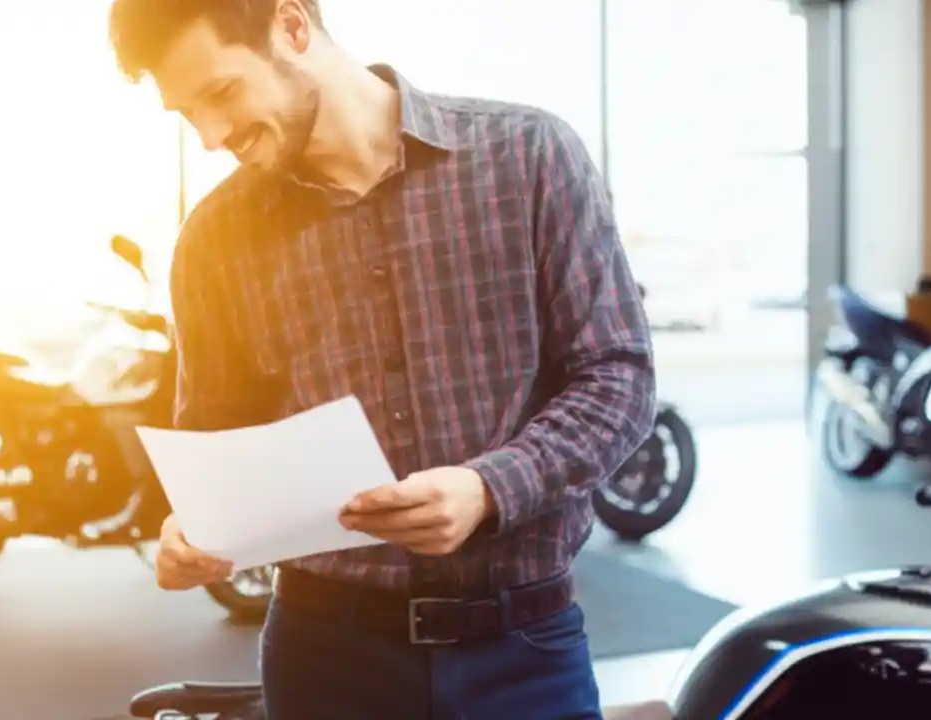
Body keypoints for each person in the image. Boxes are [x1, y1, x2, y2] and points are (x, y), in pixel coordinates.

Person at [108, 1, 655, 717]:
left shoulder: (528, 157)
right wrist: (201, 529)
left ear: (292, 26)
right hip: (325, 659)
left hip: (523, 650)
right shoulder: (215, 241)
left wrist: (488, 488)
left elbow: (619, 376)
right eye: (188, 114)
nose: (212, 136)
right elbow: (221, 441)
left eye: (221, 93)